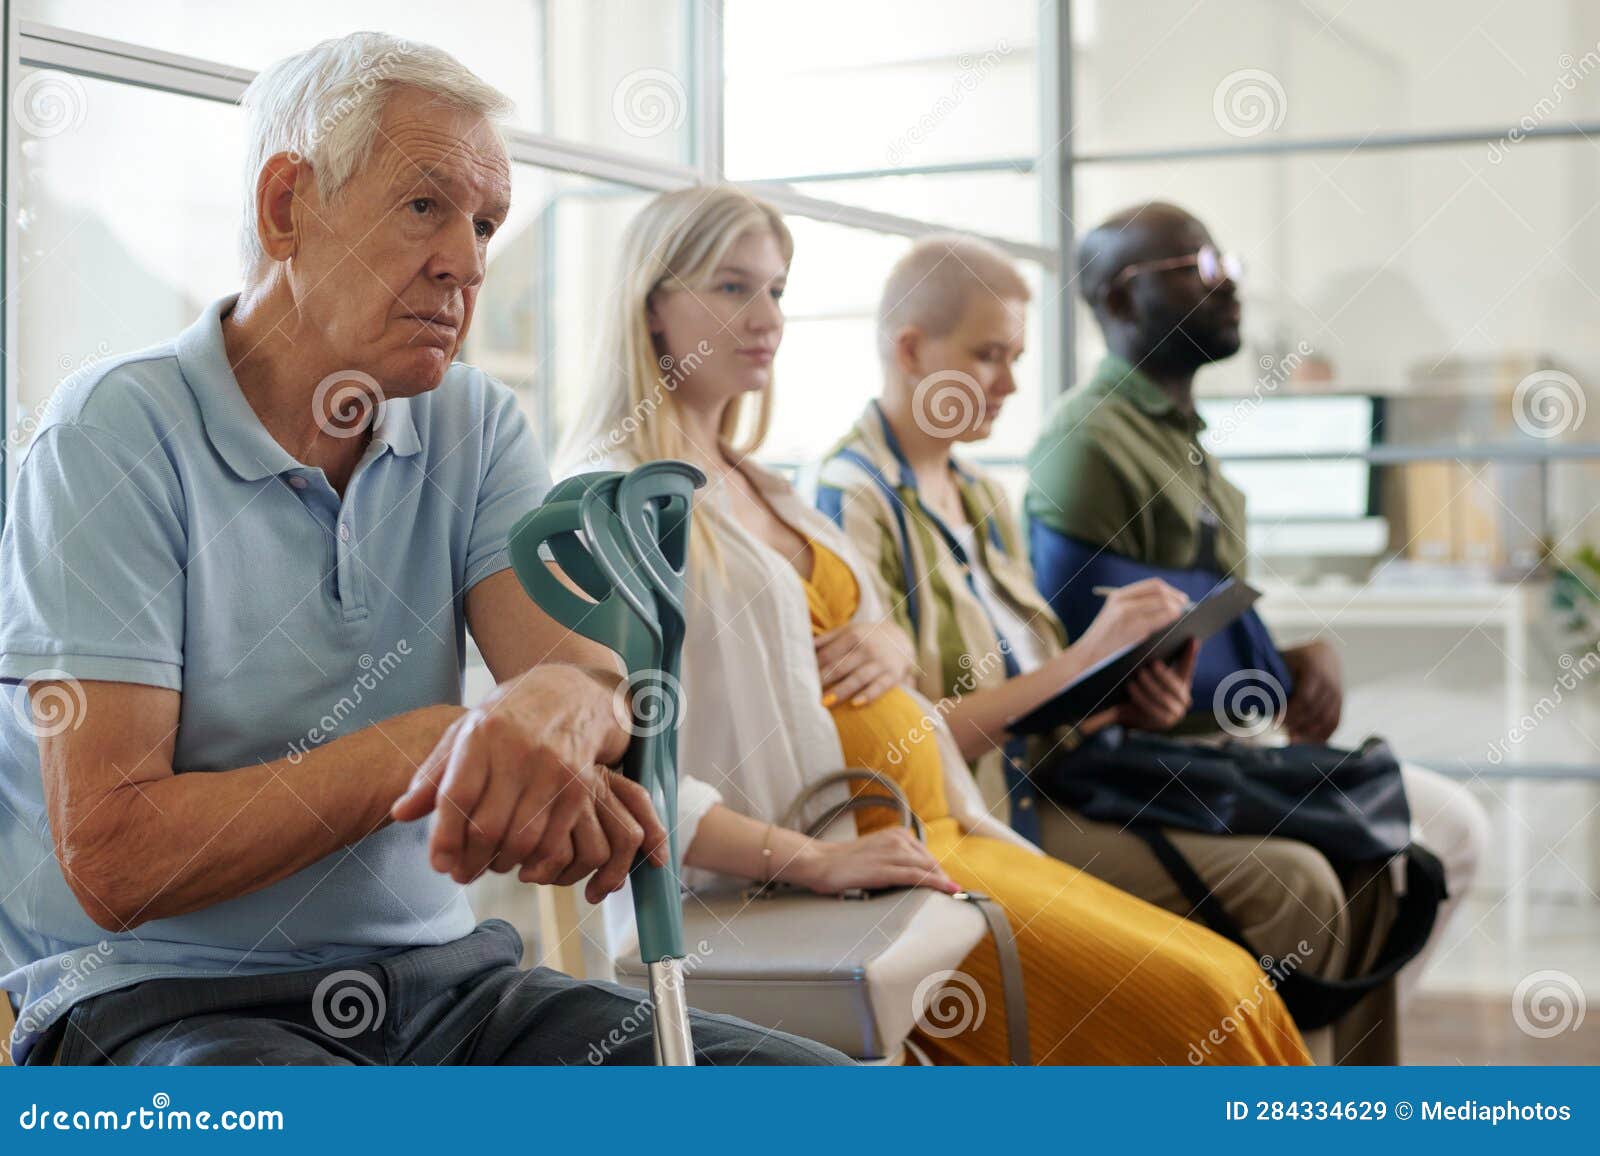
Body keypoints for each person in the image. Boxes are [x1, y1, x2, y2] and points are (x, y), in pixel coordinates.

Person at [0, 33, 845, 1068]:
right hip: (167, 1003)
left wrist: (559, 712)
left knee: (817, 1096)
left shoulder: (472, 422)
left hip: (449, 989)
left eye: (486, 224)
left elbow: (577, 674)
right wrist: (434, 745)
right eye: (424, 207)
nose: (469, 260)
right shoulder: (112, 433)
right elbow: (115, 859)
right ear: (285, 207)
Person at [564, 183, 1313, 1066]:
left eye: (777, 290)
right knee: (1201, 1003)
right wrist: (806, 859)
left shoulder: (763, 484)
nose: (766, 315)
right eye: (733, 288)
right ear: (652, 306)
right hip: (815, 876)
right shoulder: (604, 500)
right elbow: (610, 764)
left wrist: (882, 639)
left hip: (927, 831)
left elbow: (862, 640)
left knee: (1228, 981)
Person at [816, 233, 1417, 1065]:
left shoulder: (984, 496)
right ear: (911, 348)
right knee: (1298, 887)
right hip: (981, 822)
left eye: (1016, 355)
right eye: (989, 355)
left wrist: (1120, 696)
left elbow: (1038, 696)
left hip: (1061, 783)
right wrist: (1084, 659)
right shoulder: (850, 505)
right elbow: (907, 745)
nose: (1011, 383)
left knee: (1364, 858)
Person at [1024, 201, 1491, 1034]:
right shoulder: (1090, 441)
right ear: (1120, 299)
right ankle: (1297, 1085)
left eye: (1226, 262)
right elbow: (1098, 655)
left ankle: (1326, 1087)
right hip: (1149, 767)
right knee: (1422, 837)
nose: (1228, 283)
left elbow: (1191, 623)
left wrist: (1295, 657)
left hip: (1213, 749)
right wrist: (1264, 664)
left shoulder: (1179, 442)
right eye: (1199, 269)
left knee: (1419, 842)